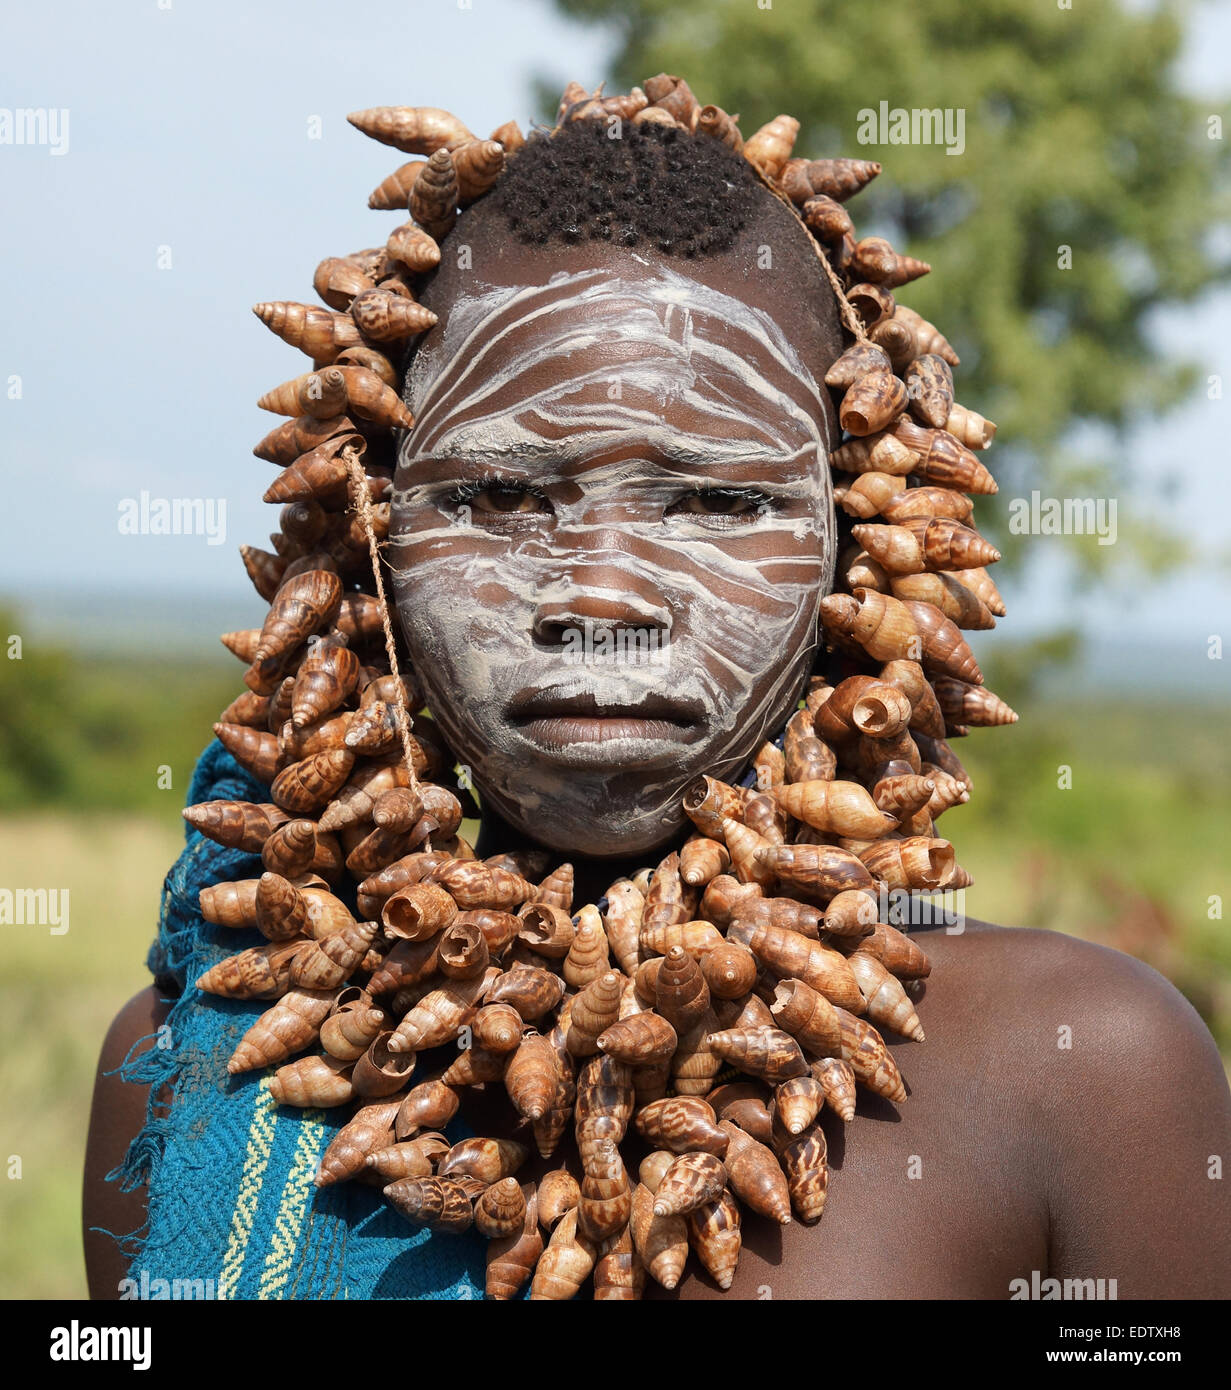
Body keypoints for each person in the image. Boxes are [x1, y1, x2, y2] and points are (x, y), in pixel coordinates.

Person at [84, 89, 1231, 1300]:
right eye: (497, 497)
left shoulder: (1082, 1073)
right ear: (360, 549)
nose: (604, 595)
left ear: (863, 543)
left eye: (720, 503)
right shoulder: (183, 1080)